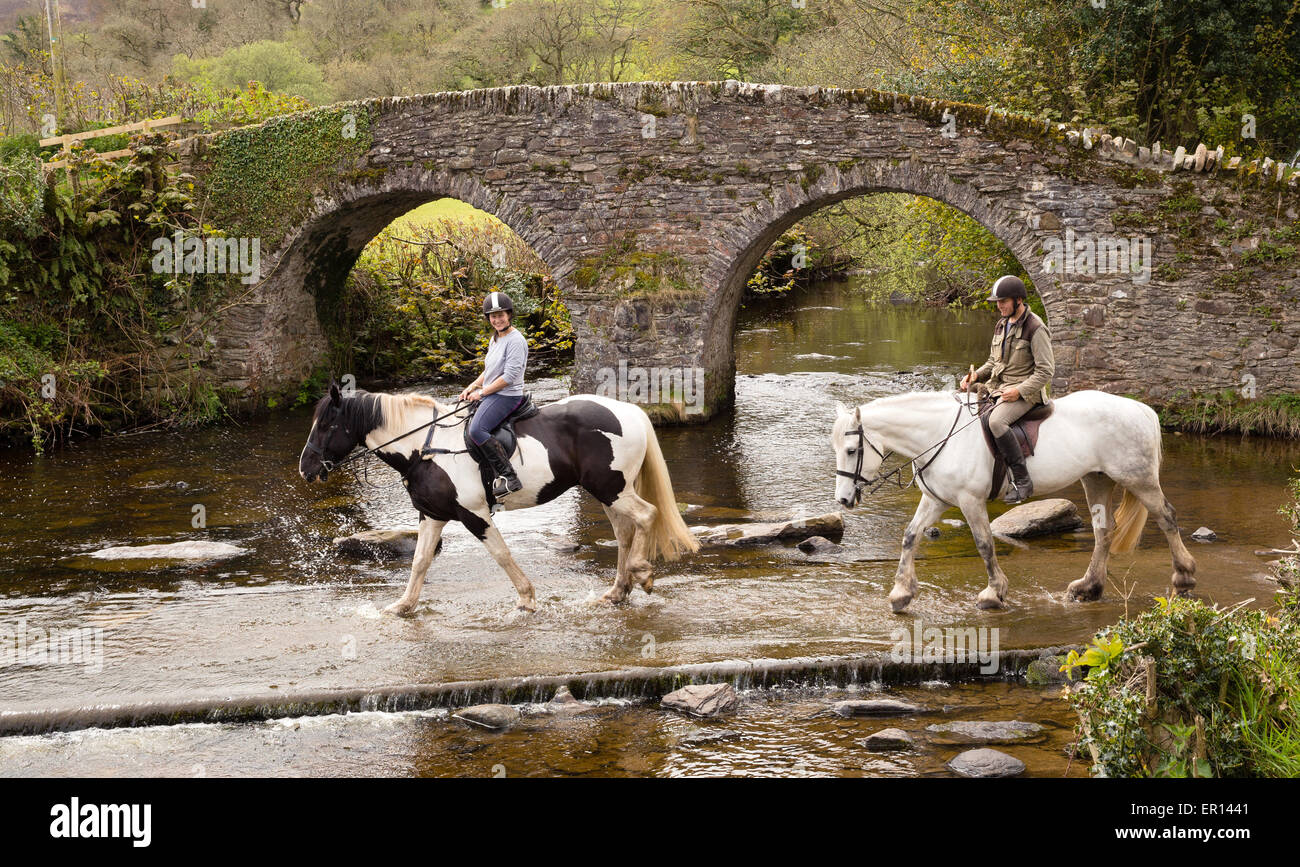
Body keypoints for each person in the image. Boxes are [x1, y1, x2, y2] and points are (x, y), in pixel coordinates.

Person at [959, 275, 1055, 503]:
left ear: (1018, 300)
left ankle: (1022, 480)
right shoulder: (1002, 324)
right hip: (999, 387)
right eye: (997, 302)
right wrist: (975, 375)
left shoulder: (1036, 328)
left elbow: (1046, 371)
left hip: (1027, 393)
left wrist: (1020, 391)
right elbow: (994, 362)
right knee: (960, 400)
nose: (999, 306)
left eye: (1003, 301)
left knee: (996, 422)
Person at [459, 291, 529, 499]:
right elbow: (490, 370)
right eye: (493, 316)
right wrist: (472, 386)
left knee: (477, 430)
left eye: (501, 315)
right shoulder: (496, 338)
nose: (497, 319)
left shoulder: (516, 341)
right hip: (492, 393)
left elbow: (508, 377)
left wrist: (482, 393)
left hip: (507, 395)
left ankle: (509, 477)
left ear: (509, 315)